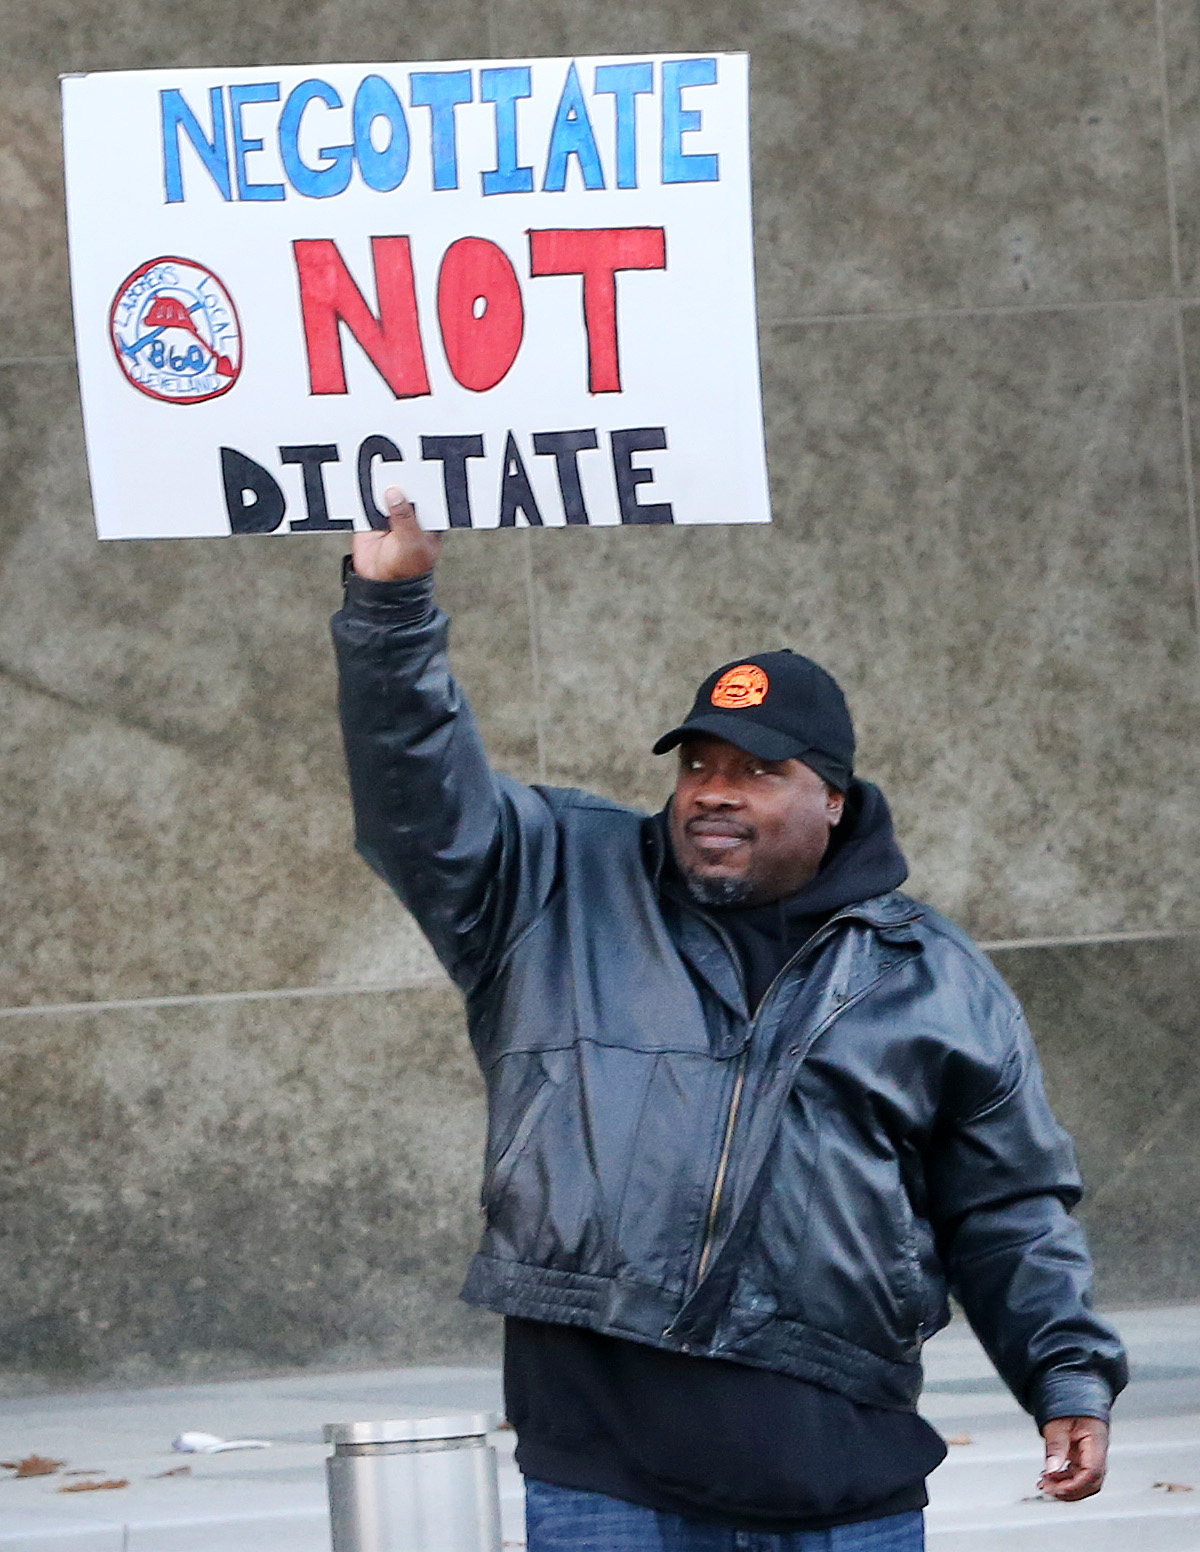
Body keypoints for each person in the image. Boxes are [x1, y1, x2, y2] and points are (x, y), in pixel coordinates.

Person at [331, 490, 1127, 1552]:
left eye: (758, 771)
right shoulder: (554, 885)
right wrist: (393, 612)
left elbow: (1008, 1206)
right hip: (608, 1469)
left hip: (850, 1478)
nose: (715, 792)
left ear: (834, 797)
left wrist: (1064, 1370)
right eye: (699, 764)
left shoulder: (933, 974)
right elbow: (417, 799)